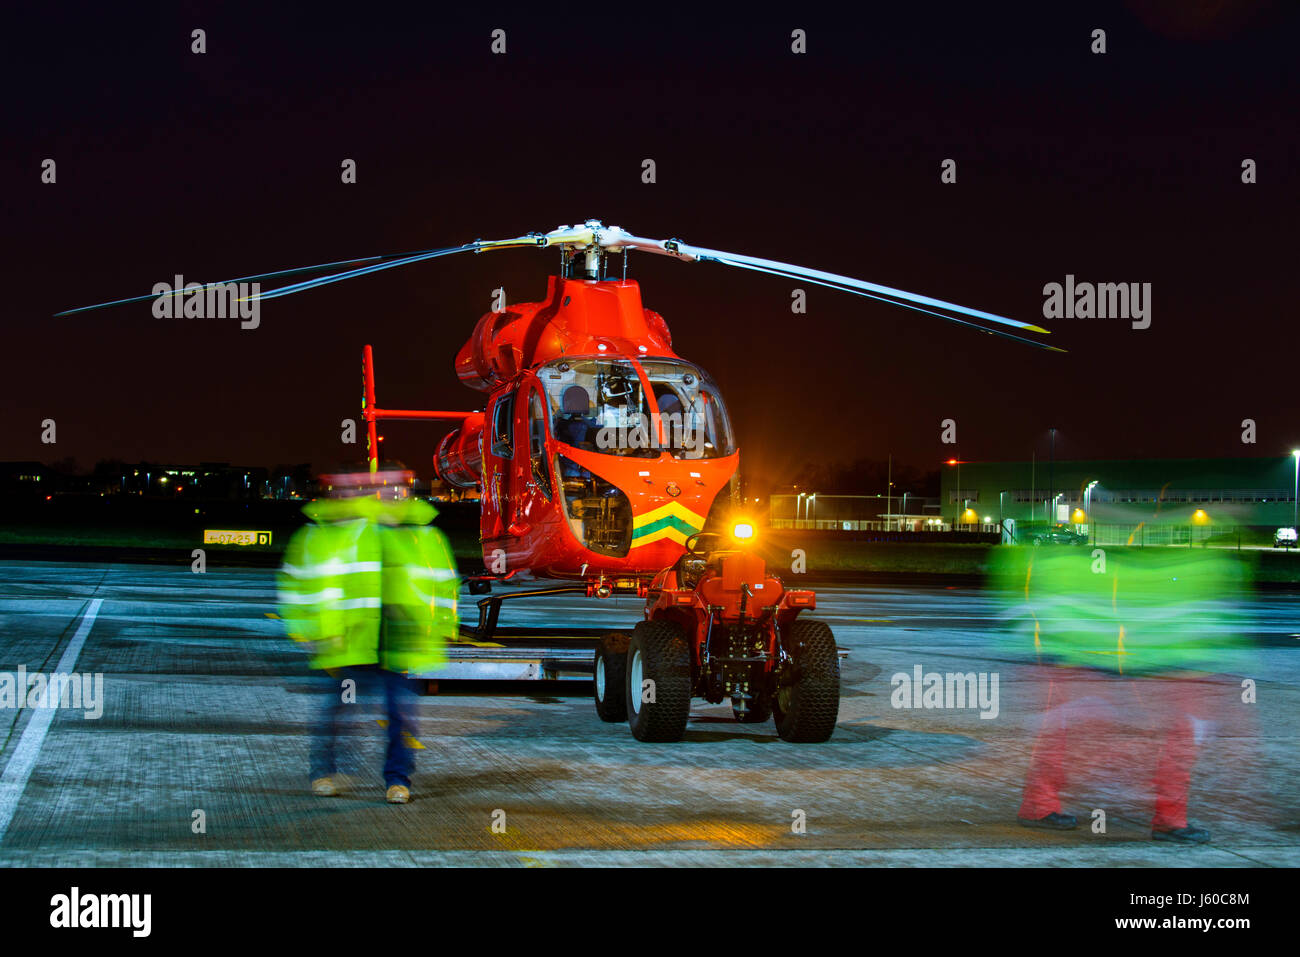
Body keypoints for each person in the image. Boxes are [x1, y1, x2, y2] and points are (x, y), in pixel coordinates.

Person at [278, 466, 458, 804]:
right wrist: (307, 630)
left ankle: (397, 780)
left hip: (398, 641)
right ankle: (325, 772)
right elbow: (303, 585)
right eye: (384, 488)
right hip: (350, 640)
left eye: (398, 488)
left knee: (400, 717)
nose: (391, 493)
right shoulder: (352, 531)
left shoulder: (425, 535)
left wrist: (445, 627)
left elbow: (446, 586)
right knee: (336, 714)